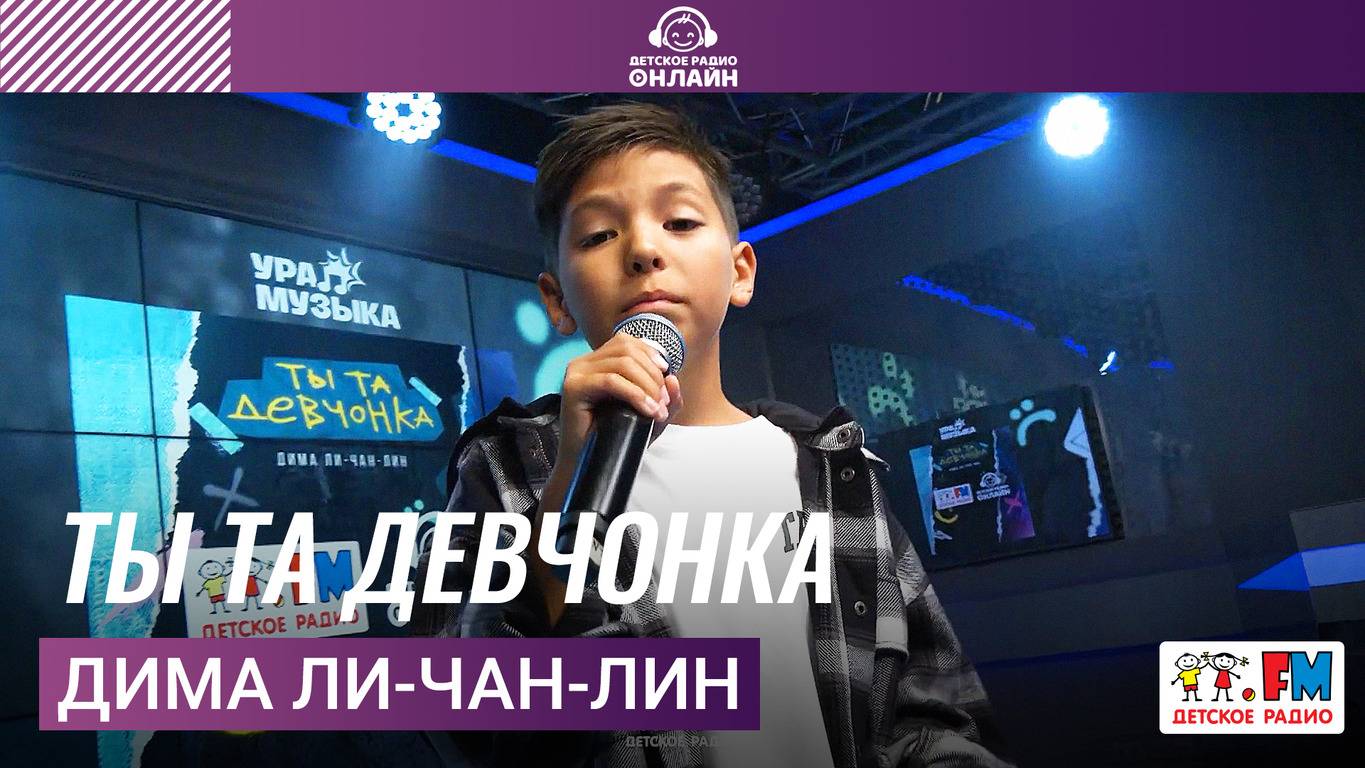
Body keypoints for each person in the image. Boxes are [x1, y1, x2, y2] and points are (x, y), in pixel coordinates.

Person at [414, 102, 1012, 768]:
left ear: (740, 272)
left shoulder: (837, 473)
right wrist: (566, 495)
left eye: (679, 222)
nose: (643, 250)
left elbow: (931, 710)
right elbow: (463, 715)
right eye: (599, 235)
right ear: (556, 301)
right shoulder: (505, 465)